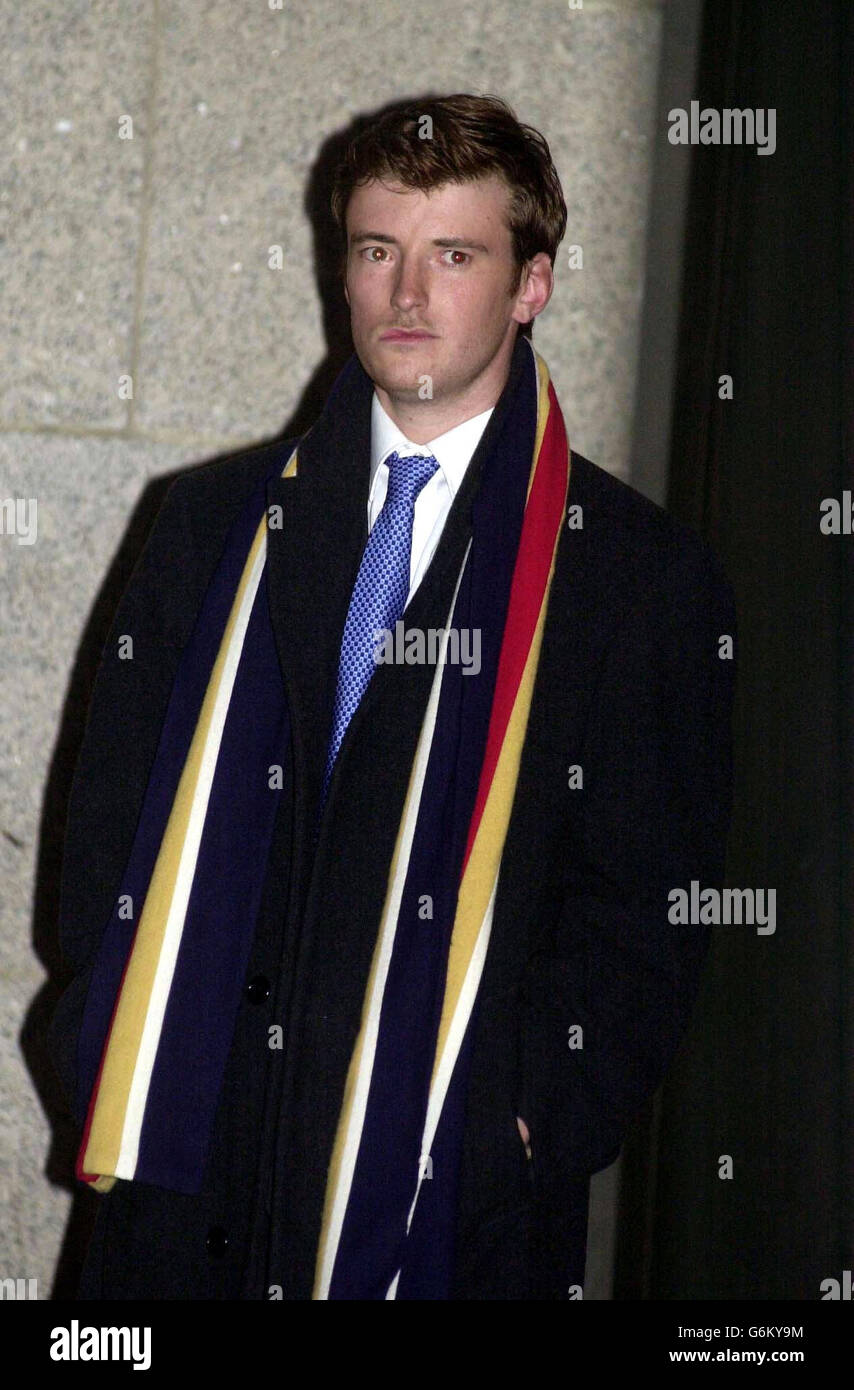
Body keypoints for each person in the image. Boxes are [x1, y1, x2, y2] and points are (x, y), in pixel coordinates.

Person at [49, 93, 736, 1300]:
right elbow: (102, 831)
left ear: (530, 284)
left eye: (453, 256)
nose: (406, 294)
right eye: (378, 250)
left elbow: (640, 920)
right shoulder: (212, 523)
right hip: (184, 1189)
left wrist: (518, 1125)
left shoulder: (635, 578)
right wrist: (98, 1030)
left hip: (441, 1213)